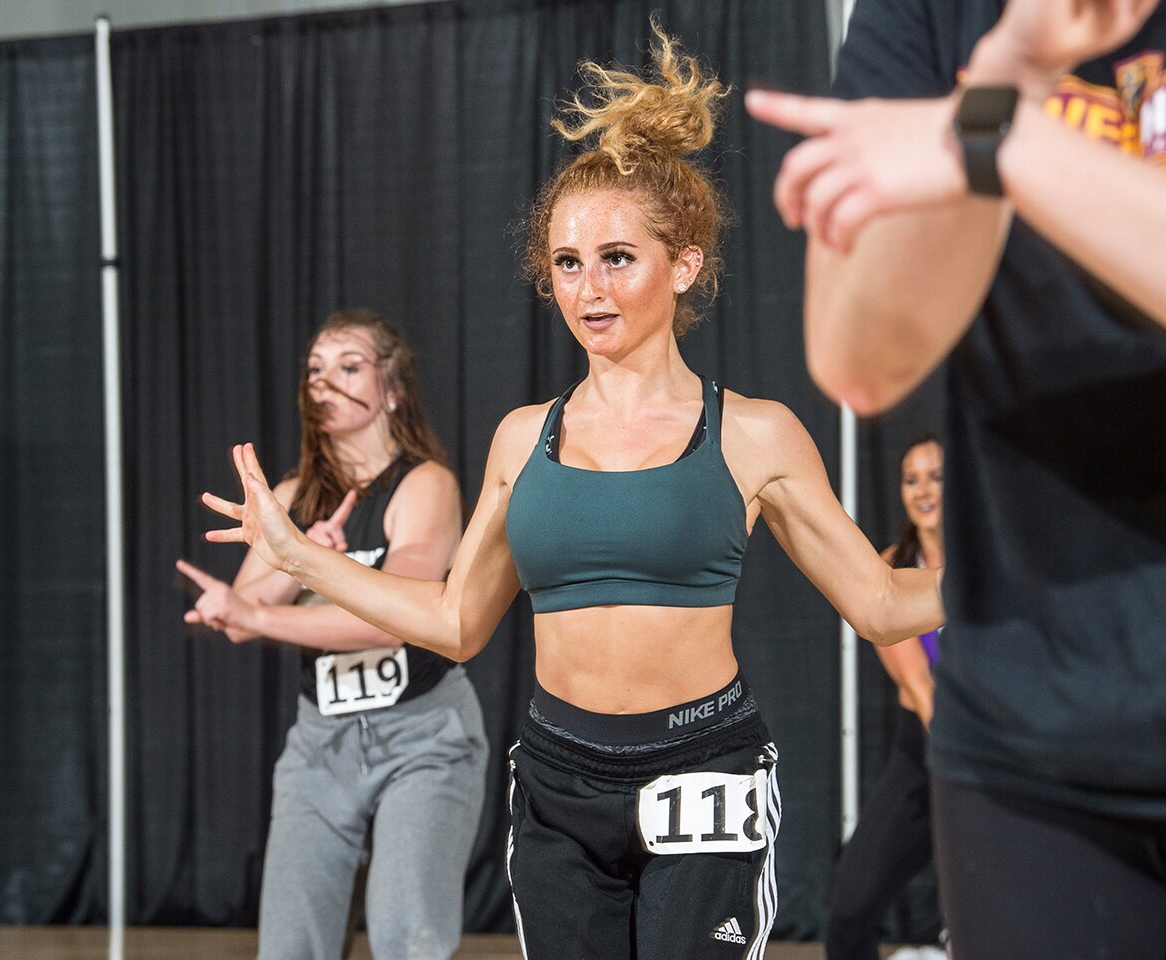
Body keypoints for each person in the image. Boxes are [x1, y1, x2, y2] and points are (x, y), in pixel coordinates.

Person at [201, 25, 946, 960]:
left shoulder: (755, 433)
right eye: (565, 261)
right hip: (557, 782)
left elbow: (879, 605)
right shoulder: (525, 437)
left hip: (700, 765)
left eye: (617, 258)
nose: (587, 288)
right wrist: (299, 555)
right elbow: (456, 622)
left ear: (684, 266)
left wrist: (1015, 576)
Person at [747, 0, 1166, 956]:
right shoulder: (940, 18)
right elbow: (861, 355)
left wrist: (1006, 139)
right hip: (1032, 737)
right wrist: (1008, 72)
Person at [177, 309, 488, 960]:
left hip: (423, 740)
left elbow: (391, 625)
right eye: (315, 370)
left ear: (392, 389)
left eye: (349, 367)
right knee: (290, 948)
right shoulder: (291, 494)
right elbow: (244, 606)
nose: (325, 382)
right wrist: (285, 569)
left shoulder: (425, 483)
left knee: (409, 939)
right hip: (321, 744)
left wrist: (272, 600)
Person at [826, 437, 946, 960]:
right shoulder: (892, 569)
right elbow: (920, 687)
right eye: (910, 478)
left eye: (936, 476)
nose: (922, 490)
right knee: (850, 907)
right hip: (926, 751)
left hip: (998, 751)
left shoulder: (992, 554)